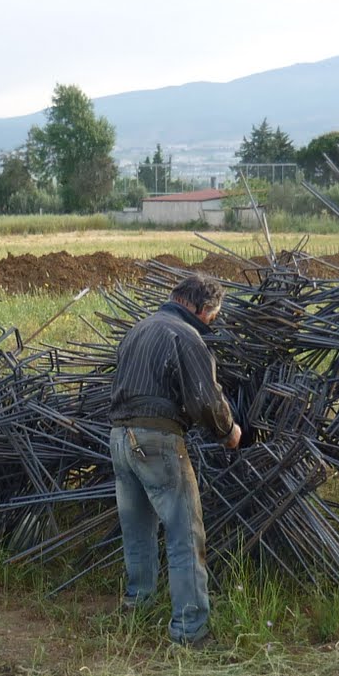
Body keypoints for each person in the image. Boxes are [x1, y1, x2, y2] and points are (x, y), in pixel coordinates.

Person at [108, 274, 242, 646]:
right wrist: (228, 430)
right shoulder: (185, 336)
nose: (212, 322)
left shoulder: (140, 328)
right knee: (185, 533)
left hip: (119, 439)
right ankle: (191, 629)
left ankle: (138, 607)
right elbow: (205, 399)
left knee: (137, 530)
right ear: (200, 307)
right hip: (156, 440)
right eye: (213, 315)